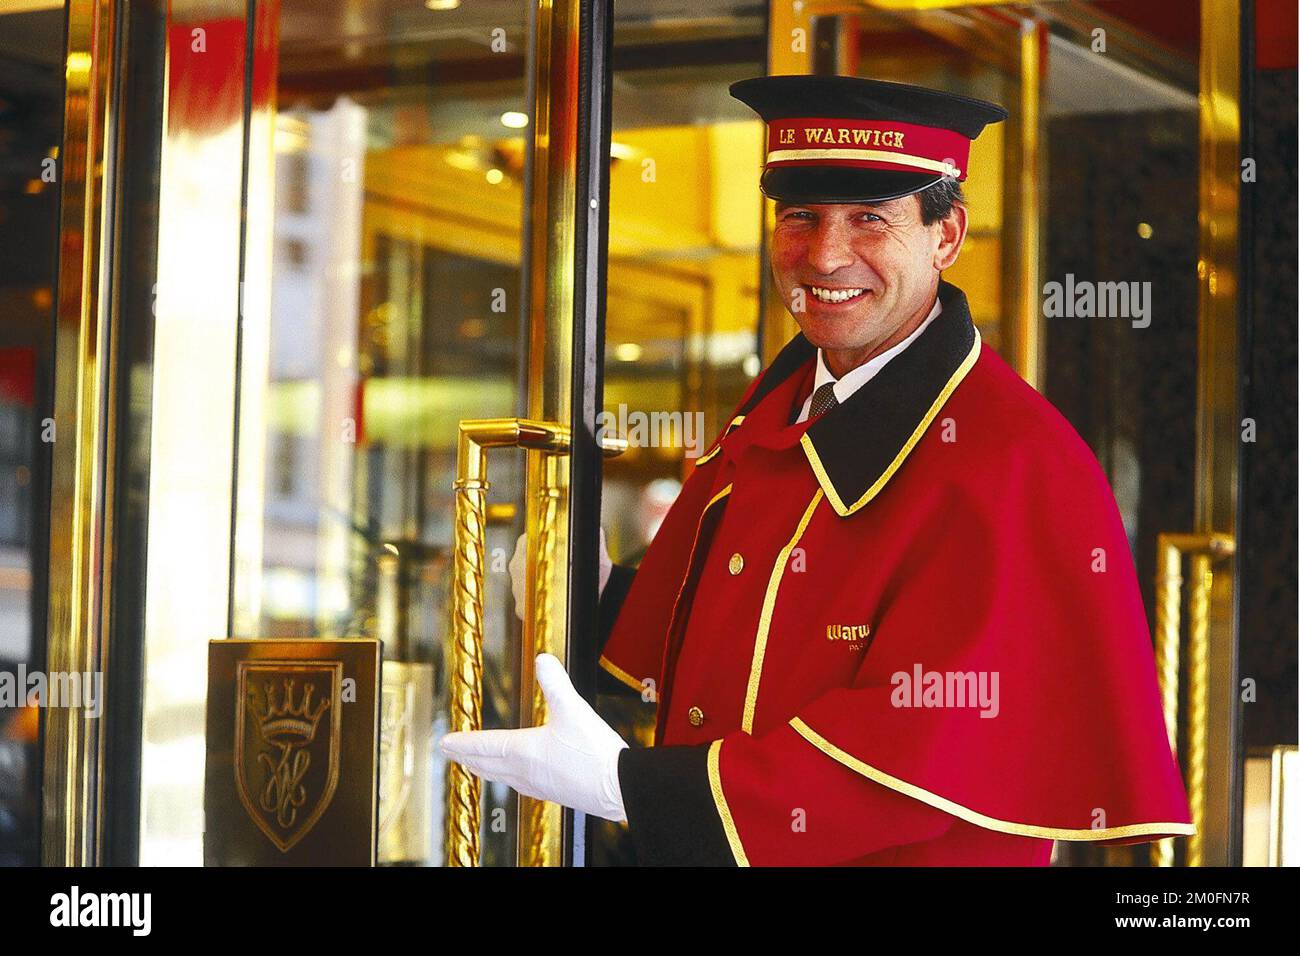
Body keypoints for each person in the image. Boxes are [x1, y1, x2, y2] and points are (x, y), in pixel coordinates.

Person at [441, 74, 1194, 866]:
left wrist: (628, 786)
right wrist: (598, 599)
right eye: (800, 215)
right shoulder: (790, 399)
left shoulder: (1011, 462)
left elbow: (912, 754)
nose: (826, 254)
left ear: (946, 236)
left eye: (870, 218)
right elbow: (762, 638)